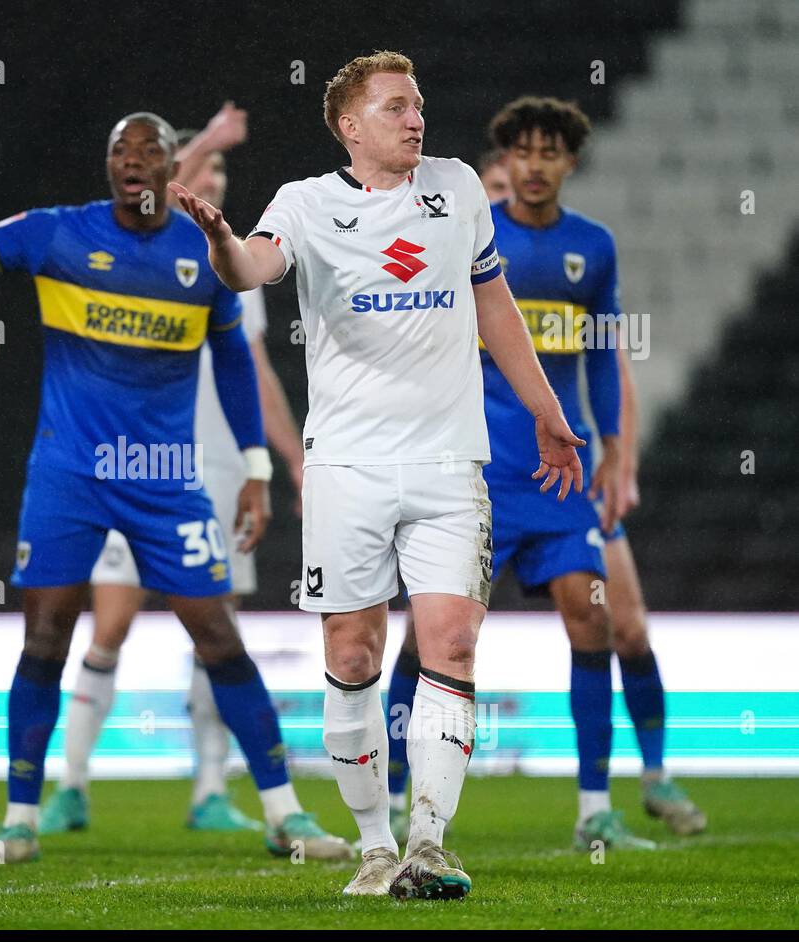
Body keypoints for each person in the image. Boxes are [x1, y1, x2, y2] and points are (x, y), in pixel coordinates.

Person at [172, 51, 586, 899]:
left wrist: (546, 408)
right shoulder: (304, 202)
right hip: (347, 465)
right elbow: (252, 269)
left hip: (448, 461)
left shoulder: (459, 187)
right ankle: (373, 846)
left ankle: (429, 841)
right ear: (349, 124)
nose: (415, 118)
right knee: (354, 652)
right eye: (396, 106)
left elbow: (493, 301)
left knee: (452, 642)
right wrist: (220, 241)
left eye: (418, 103)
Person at [0, 111, 353, 866]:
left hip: (166, 480)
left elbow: (236, 361)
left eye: (150, 150)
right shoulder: (58, 233)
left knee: (219, 636)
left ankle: (284, 813)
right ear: (109, 164)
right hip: (70, 474)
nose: (133, 161)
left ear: (172, 165)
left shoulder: (204, 255)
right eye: (121, 149)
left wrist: (255, 467)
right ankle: (20, 818)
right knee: (45, 637)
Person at [384, 96, 705, 852]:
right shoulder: (466, 238)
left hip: (558, 479)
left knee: (595, 619)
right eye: (522, 152)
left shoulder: (592, 248)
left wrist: (615, 447)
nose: (534, 166)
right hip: (476, 475)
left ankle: (596, 806)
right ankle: (397, 797)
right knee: (428, 639)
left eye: (549, 153)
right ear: (505, 160)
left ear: (570, 162)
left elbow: (603, 354)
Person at [36, 113, 305, 837]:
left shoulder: (230, 262)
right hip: (134, 460)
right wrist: (209, 138)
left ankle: (211, 787)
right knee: (110, 622)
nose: (209, 180)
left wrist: (281, 459)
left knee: (216, 628)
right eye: (198, 169)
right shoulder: (136, 240)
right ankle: (71, 782)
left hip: (213, 464)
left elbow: (253, 370)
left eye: (218, 174)